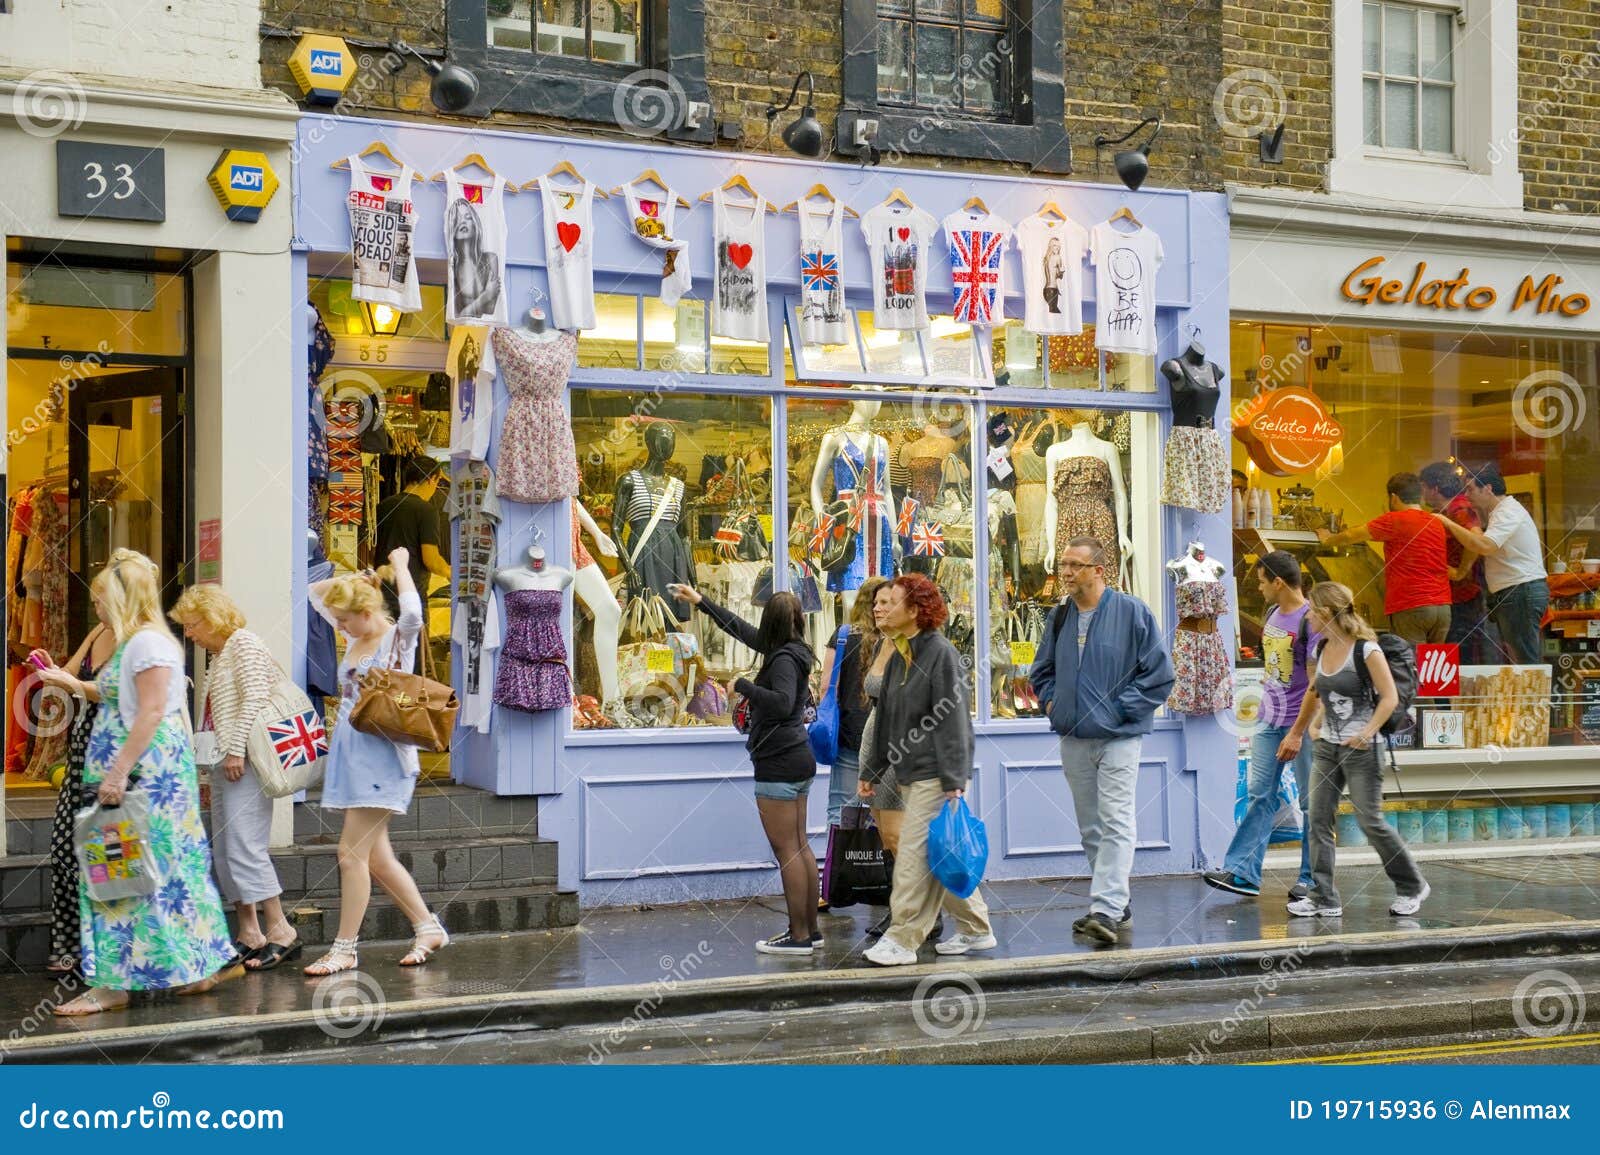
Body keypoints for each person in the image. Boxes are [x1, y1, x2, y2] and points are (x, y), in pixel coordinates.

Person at [34, 550, 240, 1015]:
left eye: (103, 599)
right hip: (150, 777)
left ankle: (112, 984)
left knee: (117, 875)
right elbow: (122, 697)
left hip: (141, 779)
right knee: (162, 874)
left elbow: (149, 712)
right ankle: (198, 966)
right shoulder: (139, 642)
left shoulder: (145, 644)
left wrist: (117, 771)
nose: (98, 608)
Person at [304, 548, 449, 975]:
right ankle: (427, 927)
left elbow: (413, 614)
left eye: (345, 618)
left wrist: (401, 568)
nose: (339, 626)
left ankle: (345, 948)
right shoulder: (355, 635)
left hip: (381, 759)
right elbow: (314, 594)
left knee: (350, 855)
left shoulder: (394, 640)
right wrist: (357, 580)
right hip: (355, 759)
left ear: (366, 613)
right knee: (377, 858)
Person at [1029, 536, 1173, 945]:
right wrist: (1053, 704)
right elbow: (1042, 671)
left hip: (1119, 738)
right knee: (1091, 826)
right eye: (1064, 565)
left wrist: (1119, 710)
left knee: (1115, 819)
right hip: (1073, 736)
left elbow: (1159, 674)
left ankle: (1106, 909)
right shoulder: (1059, 617)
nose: (1067, 573)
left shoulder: (1132, 612)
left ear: (1098, 570)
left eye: (1075, 565)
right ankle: (1115, 902)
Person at [669, 582, 821, 956]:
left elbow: (784, 704)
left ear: (770, 620)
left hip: (779, 761)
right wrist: (703, 602)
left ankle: (798, 935)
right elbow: (740, 628)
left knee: (787, 850)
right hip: (796, 758)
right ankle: (810, 931)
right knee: (800, 847)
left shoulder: (783, 659)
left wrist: (744, 686)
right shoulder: (794, 649)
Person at [862, 574, 995, 967]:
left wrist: (955, 780)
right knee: (942, 855)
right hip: (909, 771)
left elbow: (954, 720)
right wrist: (872, 769)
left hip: (935, 775)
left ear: (915, 610)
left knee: (914, 859)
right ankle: (977, 929)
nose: (884, 604)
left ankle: (903, 939)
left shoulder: (940, 654)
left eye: (894, 600)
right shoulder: (902, 654)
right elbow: (887, 716)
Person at [170, 586, 300, 971]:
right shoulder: (221, 652)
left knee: (246, 847)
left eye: (193, 625)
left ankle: (280, 929)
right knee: (227, 851)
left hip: (242, 762)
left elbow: (256, 698)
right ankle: (249, 931)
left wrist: (237, 749)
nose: (190, 634)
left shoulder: (243, 644)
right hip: (224, 761)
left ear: (213, 618)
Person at [1282, 582, 1428, 918]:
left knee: (1370, 821)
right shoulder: (1320, 650)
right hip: (1328, 748)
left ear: (1327, 613)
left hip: (1363, 750)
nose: (1308, 619)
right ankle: (1323, 898)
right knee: (1317, 819)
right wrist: (1314, 725)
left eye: (1312, 613)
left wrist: (1367, 732)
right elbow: (1326, 695)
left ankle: (1412, 886)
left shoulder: (1366, 651)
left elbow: (1390, 698)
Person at [1202, 551, 1317, 900]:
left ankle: (1312, 880)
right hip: (1269, 719)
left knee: (1314, 803)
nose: (1259, 587)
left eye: (1262, 580)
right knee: (1259, 795)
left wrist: (1298, 732)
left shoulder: (1312, 620)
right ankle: (1243, 873)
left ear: (1278, 582)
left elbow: (1316, 683)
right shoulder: (1271, 614)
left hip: (1301, 723)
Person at [35, 620, 118, 973]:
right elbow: (67, 675)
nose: (97, 606)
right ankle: (70, 949)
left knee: (103, 858)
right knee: (64, 848)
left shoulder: (136, 637)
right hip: (82, 750)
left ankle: (103, 955)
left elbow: (117, 692)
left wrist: (75, 684)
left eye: (102, 598)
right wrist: (48, 669)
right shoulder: (98, 630)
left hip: (110, 752)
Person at [855, 579, 927, 942]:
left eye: (887, 603)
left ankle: (920, 916)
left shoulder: (914, 647)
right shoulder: (884, 642)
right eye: (877, 603)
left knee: (900, 837)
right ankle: (898, 911)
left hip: (900, 744)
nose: (878, 608)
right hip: (876, 738)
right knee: (885, 835)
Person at [1433, 462, 1548, 665]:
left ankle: (1534, 697)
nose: (1466, 495)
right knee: (1518, 658)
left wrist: (1448, 523)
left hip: (1520, 591)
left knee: (1525, 661)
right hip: (1515, 592)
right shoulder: (1499, 513)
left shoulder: (1508, 512)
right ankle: (1527, 696)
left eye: (1470, 489)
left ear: (1488, 488)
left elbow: (1485, 546)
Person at [1317, 472, 1451, 644]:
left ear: (1394, 498)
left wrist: (1328, 539)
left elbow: (1352, 535)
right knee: (1433, 668)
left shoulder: (1394, 520)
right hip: (1443, 608)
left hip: (1411, 605)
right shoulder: (1435, 522)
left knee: (1408, 665)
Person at [818, 575, 889, 831]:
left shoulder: (843, 635)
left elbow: (827, 686)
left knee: (840, 810)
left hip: (849, 734)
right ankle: (875, 869)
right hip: (883, 739)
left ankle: (838, 868)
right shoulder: (893, 640)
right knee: (882, 813)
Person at [375, 455, 451, 672]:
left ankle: (387, 704)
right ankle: (407, 704)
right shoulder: (426, 511)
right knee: (411, 663)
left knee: (386, 660)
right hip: (410, 596)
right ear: (431, 479)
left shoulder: (384, 506)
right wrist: (449, 572)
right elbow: (430, 558)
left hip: (382, 594)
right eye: (437, 482)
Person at [1419, 461, 1488, 664]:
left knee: (1460, 657)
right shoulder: (1446, 511)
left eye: (1423, 486)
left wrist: (1461, 571)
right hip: (1452, 596)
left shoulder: (1459, 509)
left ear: (1435, 488)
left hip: (1465, 597)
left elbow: (1476, 538)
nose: (1421, 492)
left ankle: (1456, 696)